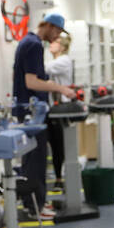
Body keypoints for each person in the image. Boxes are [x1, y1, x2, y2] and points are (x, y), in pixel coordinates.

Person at [11, 13, 77, 217]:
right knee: (36, 160)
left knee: (33, 159)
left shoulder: (28, 42)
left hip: (30, 109)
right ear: (47, 26)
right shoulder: (34, 45)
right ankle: (35, 207)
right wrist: (61, 89)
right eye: (56, 30)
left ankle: (33, 203)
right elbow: (32, 82)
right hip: (32, 112)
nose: (57, 36)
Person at [44, 33, 75, 185]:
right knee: (55, 144)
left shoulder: (63, 61)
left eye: (54, 42)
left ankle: (60, 177)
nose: (51, 44)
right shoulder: (57, 60)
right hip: (54, 108)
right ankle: (58, 176)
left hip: (61, 108)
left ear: (62, 46)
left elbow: (43, 69)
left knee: (59, 145)